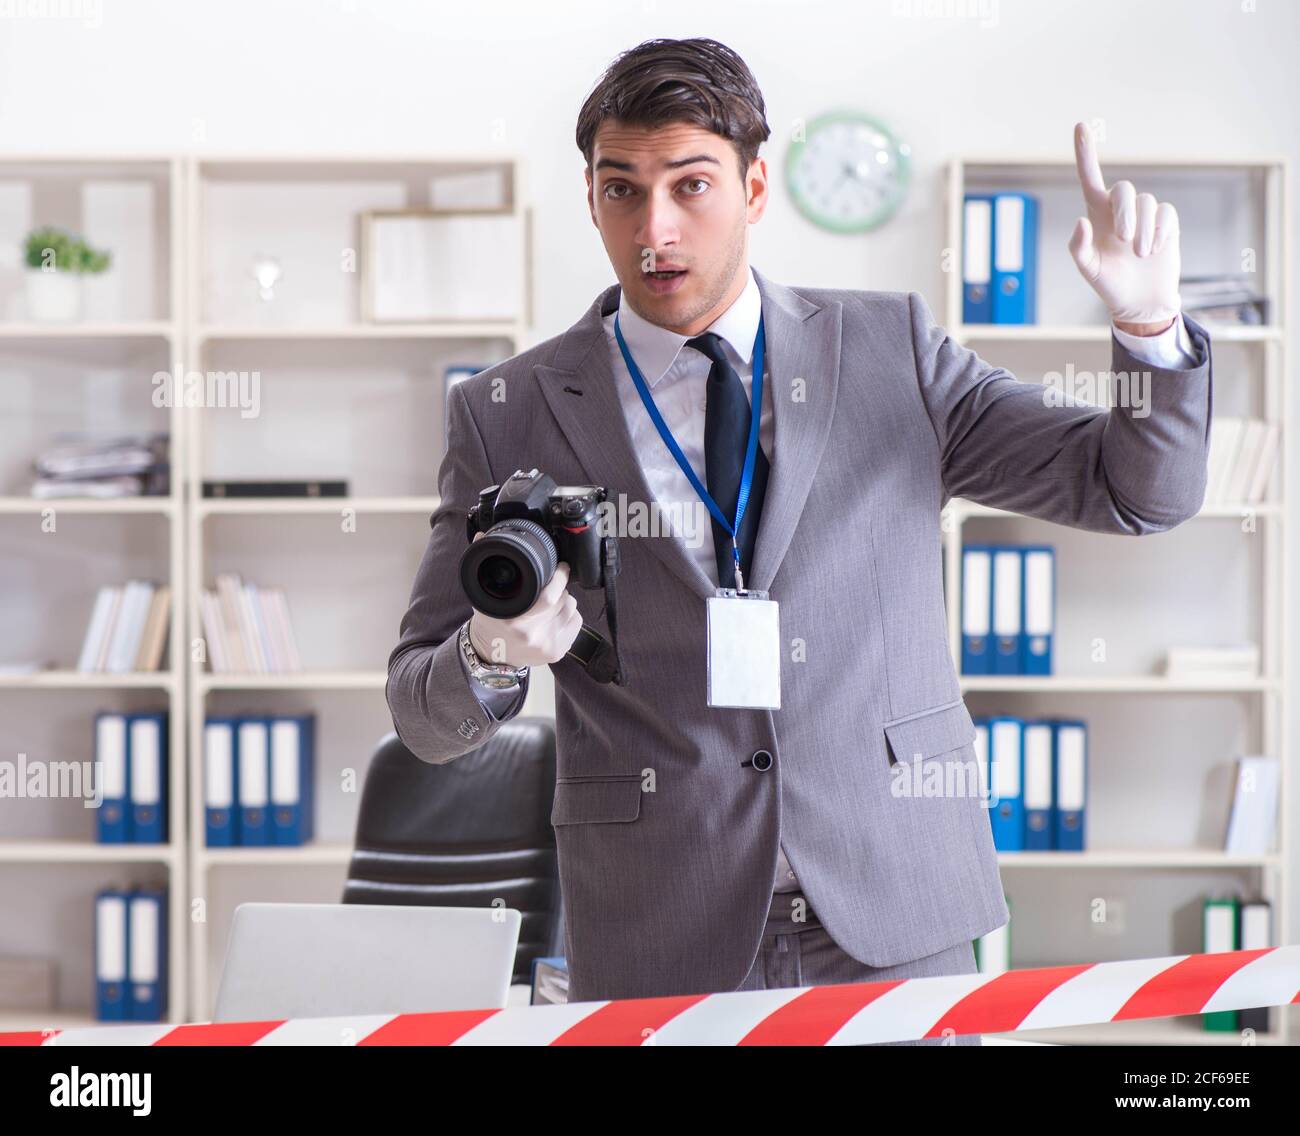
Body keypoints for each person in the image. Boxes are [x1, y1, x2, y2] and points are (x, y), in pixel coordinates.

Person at [386, 37, 1210, 1043]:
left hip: (896, 910)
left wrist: (1149, 329)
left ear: (755, 184)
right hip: (660, 928)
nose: (655, 227)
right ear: (591, 198)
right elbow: (426, 713)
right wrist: (488, 653)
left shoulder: (888, 350)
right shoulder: (506, 410)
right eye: (621, 189)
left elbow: (1134, 492)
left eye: (691, 185)